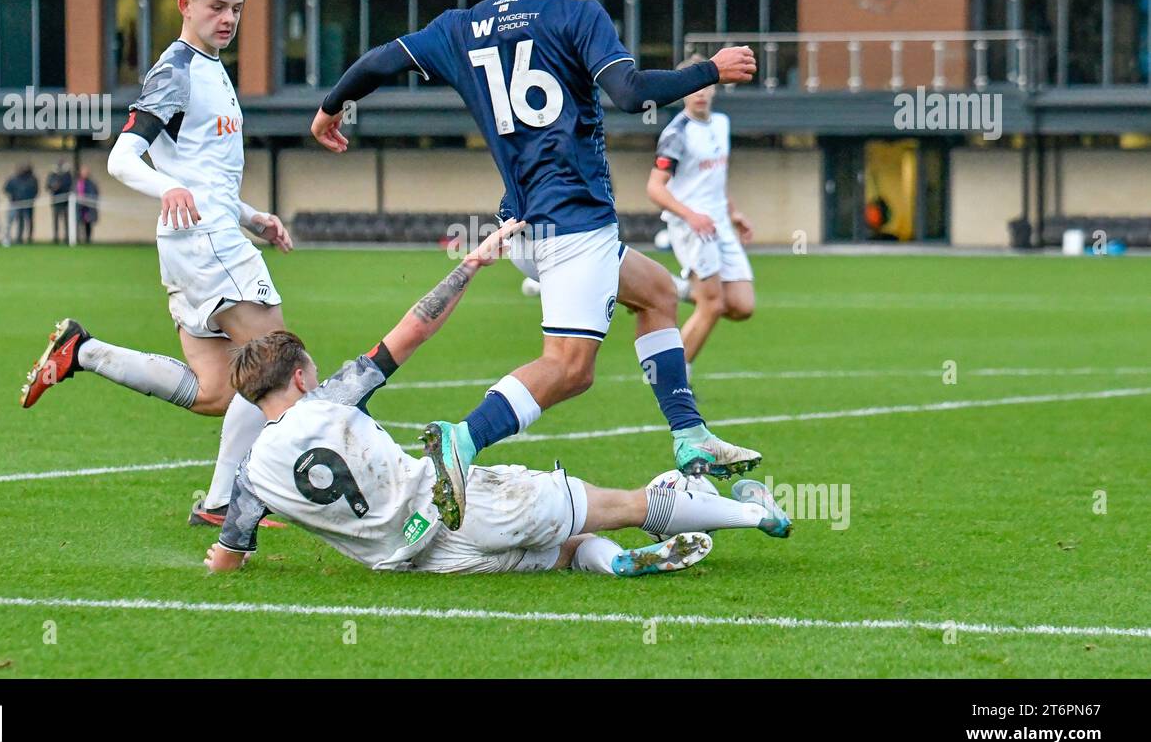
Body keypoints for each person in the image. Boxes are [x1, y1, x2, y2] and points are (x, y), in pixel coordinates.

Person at [309, 0, 761, 528]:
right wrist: (712, 68)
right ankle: (460, 442)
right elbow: (631, 95)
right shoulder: (578, 15)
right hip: (575, 222)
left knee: (657, 291)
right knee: (570, 370)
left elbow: (380, 61)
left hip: (520, 226)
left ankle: (690, 436)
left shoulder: (460, 26)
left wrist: (331, 108)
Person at [203, 220, 790, 578]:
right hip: (460, 503)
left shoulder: (252, 477)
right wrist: (471, 265)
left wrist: (223, 563)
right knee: (627, 505)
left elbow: (229, 550)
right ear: (302, 377)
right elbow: (415, 327)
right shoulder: (333, 398)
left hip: (428, 562)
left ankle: (612, 563)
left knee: (566, 549)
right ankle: (755, 511)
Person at [18, 0, 295, 530]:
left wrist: (253, 217)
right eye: (218, 7)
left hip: (204, 238)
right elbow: (123, 158)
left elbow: (204, 176)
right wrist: (166, 188)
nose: (229, 19)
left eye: (238, 9)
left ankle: (82, 351)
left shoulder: (213, 69)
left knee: (218, 391)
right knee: (281, 361)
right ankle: (318, 492)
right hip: (204, 243)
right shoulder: (177, 70)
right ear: (185, 5)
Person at [646, 57, 755, 378]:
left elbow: (714, 179)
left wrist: (734, 213)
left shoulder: (721, 123)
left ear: (715, 88)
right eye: (693, 86)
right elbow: (655, 187)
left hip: (720, 223)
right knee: (712, 305)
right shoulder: (676, 133)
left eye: (706, 86)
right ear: (683, 90)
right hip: (693, 227)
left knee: (742, 305)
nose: (700, 93)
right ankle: (671, 377)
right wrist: (691, 215)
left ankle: (679, 288)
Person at [3, 164, 38, 244]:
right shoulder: (13, 179)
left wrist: (30, 199)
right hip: (16, 203)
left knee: (29, 220)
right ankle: (19, 238)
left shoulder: (32, 179)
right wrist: (13, 197)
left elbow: (35, 190)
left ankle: (29, 238)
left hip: (28, 203)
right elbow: (6, 189)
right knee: (18, 220)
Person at [46, 160, 74, 244]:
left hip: (66, 202)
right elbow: (48, 186)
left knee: (66, 221)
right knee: (56, 221)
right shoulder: (52, 175)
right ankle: (56, 238)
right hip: (56, 201)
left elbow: (70, 186)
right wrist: (53, 187)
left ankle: (67, 238)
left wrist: (61, 186)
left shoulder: (67, 175)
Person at [76, 167, 99, 244]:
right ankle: (78, 239)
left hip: (88, 207)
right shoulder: (78, 182)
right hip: (79, 207)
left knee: (88, 224)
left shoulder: (91, 184)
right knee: (79, 223)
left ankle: (88, 240)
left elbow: (94, 194)